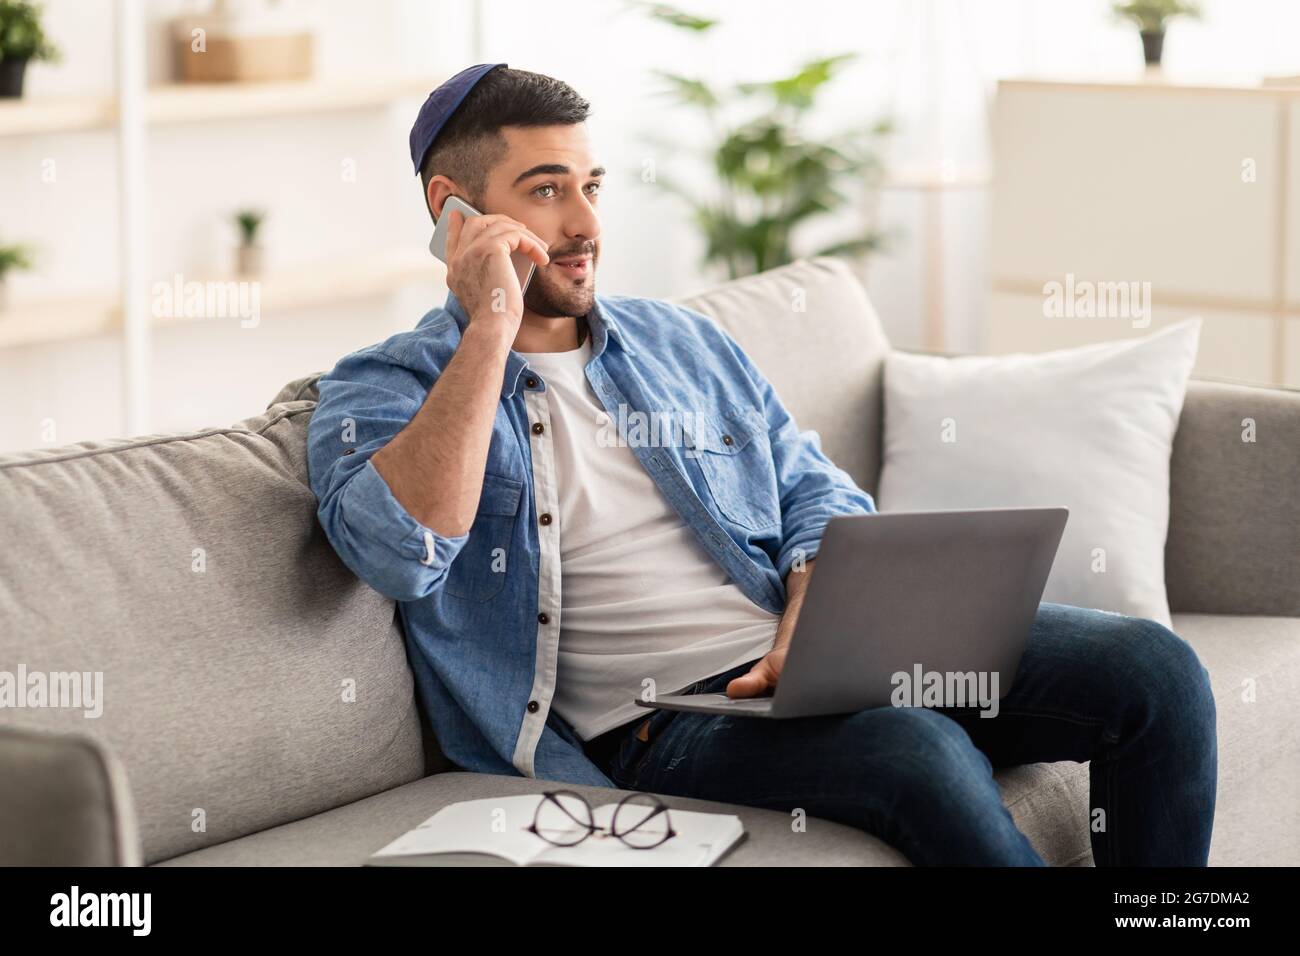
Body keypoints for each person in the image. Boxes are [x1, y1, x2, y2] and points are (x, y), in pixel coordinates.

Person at [306, 64, 1218, 865]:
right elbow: (398, 548)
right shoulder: (384, 386)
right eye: (547, 191)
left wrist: (813, 588)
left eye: (593, 186)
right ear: (451, 210)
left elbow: (811, 479)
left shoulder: (680, 340)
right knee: (915, 751)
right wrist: (493, 328)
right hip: (662, 724)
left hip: (811, 651)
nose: (586, 223)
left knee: (1153, 671)